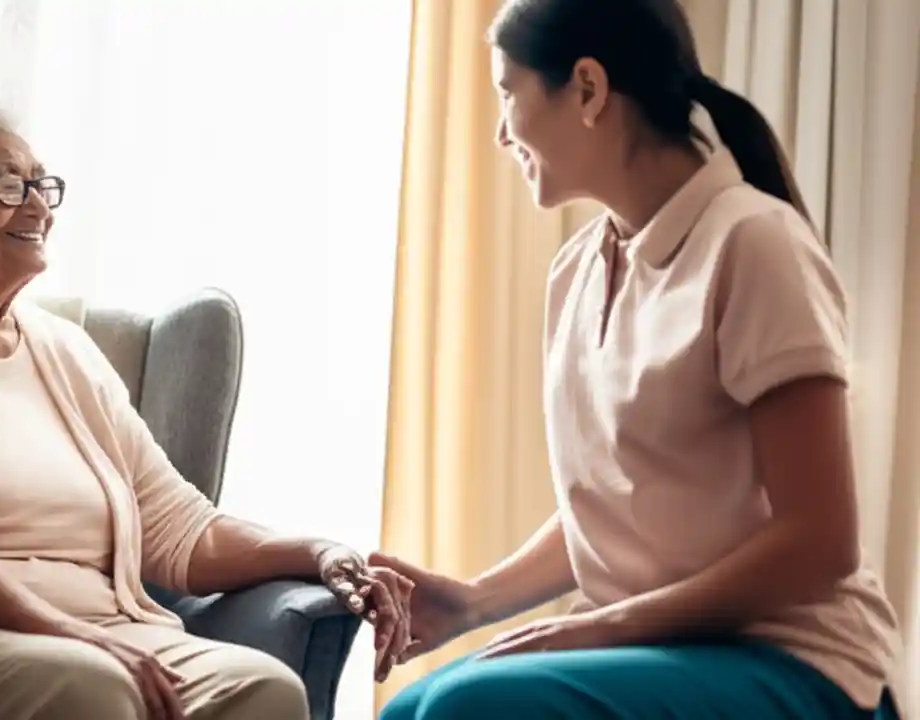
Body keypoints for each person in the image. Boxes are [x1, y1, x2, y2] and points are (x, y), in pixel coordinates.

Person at [0, 100, 412, 720]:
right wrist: (70, 634)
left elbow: (180, 529)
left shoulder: (67, 351)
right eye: (9, 186)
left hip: (90, 636)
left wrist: (322, 551)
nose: (38, 206)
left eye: (42, 185)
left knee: (262, 690)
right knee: (94, 686)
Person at [375, 1, 903, 718]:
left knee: (465, 709)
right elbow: (618, 512)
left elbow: (821, 543)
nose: (501, 133)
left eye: (508, 93)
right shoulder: (578, 271)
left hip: (792, 659)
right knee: (407, 710)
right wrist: (473, 602)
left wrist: (602, 627)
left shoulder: (755, 244)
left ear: (588, 89)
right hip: (660, 648)